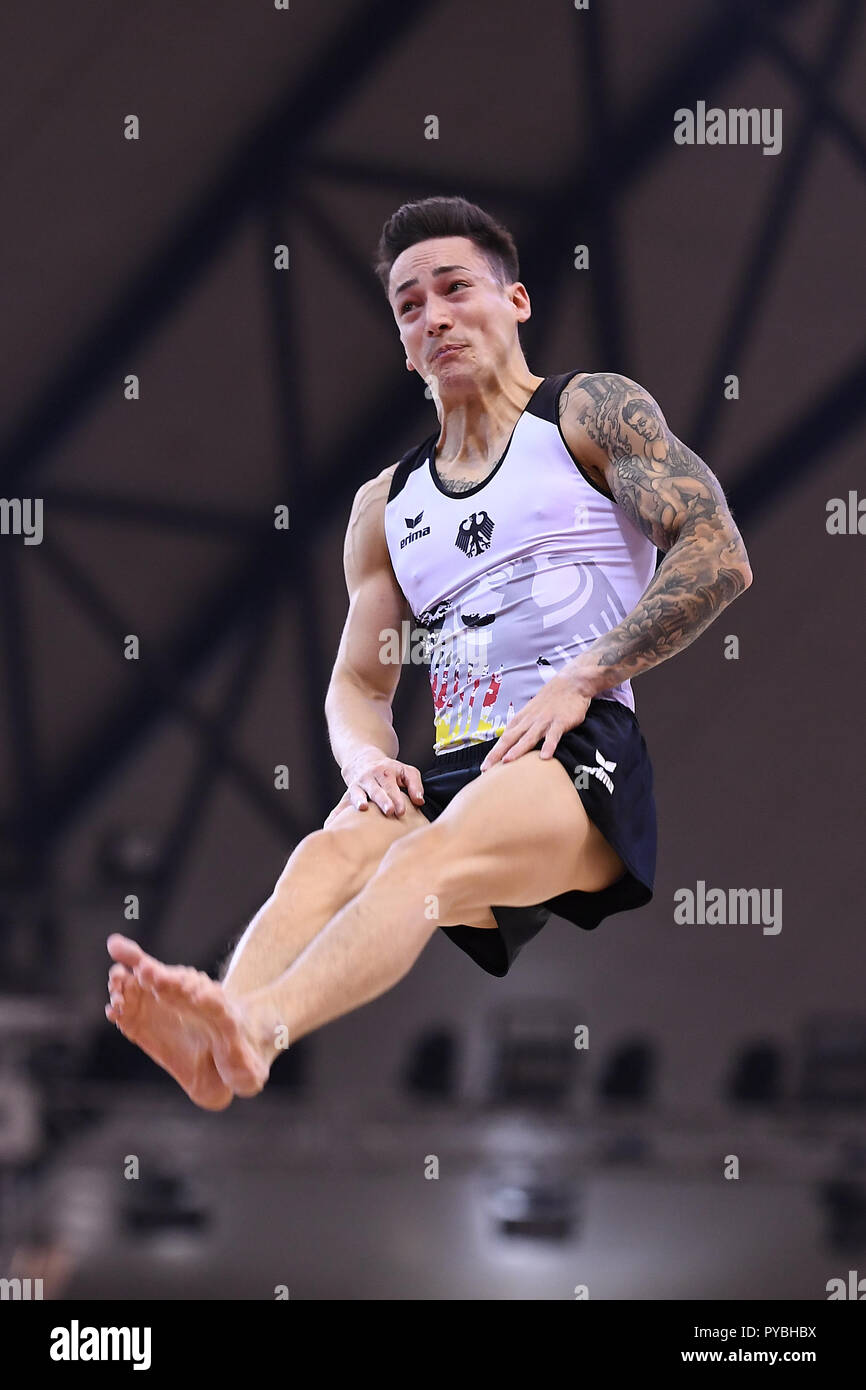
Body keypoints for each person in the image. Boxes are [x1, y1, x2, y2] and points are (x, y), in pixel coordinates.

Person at [106, 196, 752, 1109]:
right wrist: (366, 758)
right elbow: (359, 682)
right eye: (410, 306)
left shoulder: (587, 414)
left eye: (455, 290)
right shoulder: (388, 506)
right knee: (327, 853)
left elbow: (718, 552)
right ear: (402, 341)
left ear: (517, 300)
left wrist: (589, 673)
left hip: (574, 752)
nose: (434, 316)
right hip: (455, 770)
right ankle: (218, 1043)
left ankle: (258, 1025)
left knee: (420, 864)